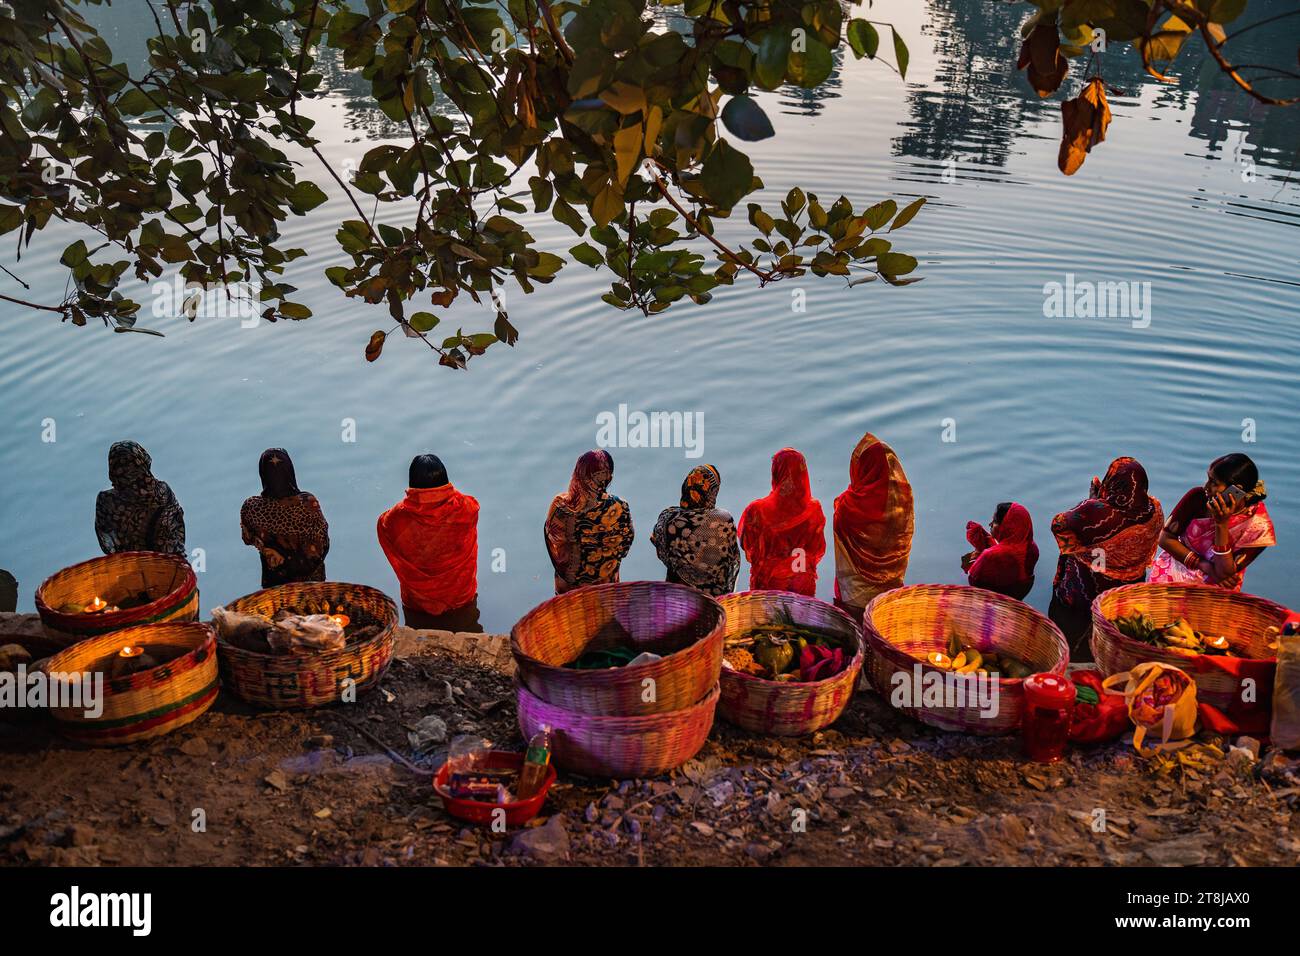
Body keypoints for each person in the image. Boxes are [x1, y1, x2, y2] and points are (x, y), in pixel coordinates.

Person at [1050, 456, 1164, 657]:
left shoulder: (1097, 511)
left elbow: (1059, 524)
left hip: (1089, 584)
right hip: (1127, 589)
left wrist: (1093, 501)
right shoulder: (1154, 508)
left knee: (1071, 636)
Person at [378, 454, 482, 631]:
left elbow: (383, 525)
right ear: (446, 482)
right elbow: (471, 502)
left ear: (412, 484)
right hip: (460, 597)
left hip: (417, 603)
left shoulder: (396, 519)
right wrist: (444, 495)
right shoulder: (465, 508)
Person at [1150, 453, 1275, 591]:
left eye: (1214, 482)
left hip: (1221, 583)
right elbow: (1165, 539)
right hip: (1179, 566)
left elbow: (1224, 573)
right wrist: (1203, 565)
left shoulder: (1258, 526)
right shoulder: (1197, 498)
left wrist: (1221, 524)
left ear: (1236, 490)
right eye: (1208, 479)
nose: (1206, 487)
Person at [832, 433, 913, 619]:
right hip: (890, 593)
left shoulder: (847, 506)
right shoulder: (904, 501)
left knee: (857, 632)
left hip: (855, 596)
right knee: (882, 625)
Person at [738, 448, 826, 596]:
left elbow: (747, 546)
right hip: (803, 586)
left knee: (769, 619)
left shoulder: (757, 510)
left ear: (776, 473)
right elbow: (817, 550)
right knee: (800, 619)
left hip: (768, 588)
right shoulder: (814, 510)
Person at [544, 450, 634, 594]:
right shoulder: (621, 506)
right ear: (609, 476)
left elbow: (553, 537)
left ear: (579, 474)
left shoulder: (561, 507)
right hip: (607, 590)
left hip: (570, 594)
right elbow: (624, 547)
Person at [240, 448, 330, 588]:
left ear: (263, 474)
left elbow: (247, 539)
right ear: (290, 471)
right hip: (312, 586)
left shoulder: (252, 508)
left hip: (275, 587)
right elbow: (324, 543)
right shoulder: (308, 504)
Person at [651, 464, 741, 597]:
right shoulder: (722, 520)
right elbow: (731, 560)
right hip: (711, 603)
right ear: (711, 492)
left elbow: (658, 545)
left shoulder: (668, 518)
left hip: (676, 600)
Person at [94, 440, 186, 555]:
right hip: (169, 565)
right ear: (142, 460)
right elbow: (177, 529)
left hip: (132, 568)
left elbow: (108, 543)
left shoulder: (107, 501)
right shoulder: (162, 491)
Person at [962, 502, 1039, 601]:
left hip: (993, 601)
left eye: (994, 521)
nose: (990, 524)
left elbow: (973, 579)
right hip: (1017, 597)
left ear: (1007, 526)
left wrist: (975, 557)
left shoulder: (991, 555)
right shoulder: (1032, 549)